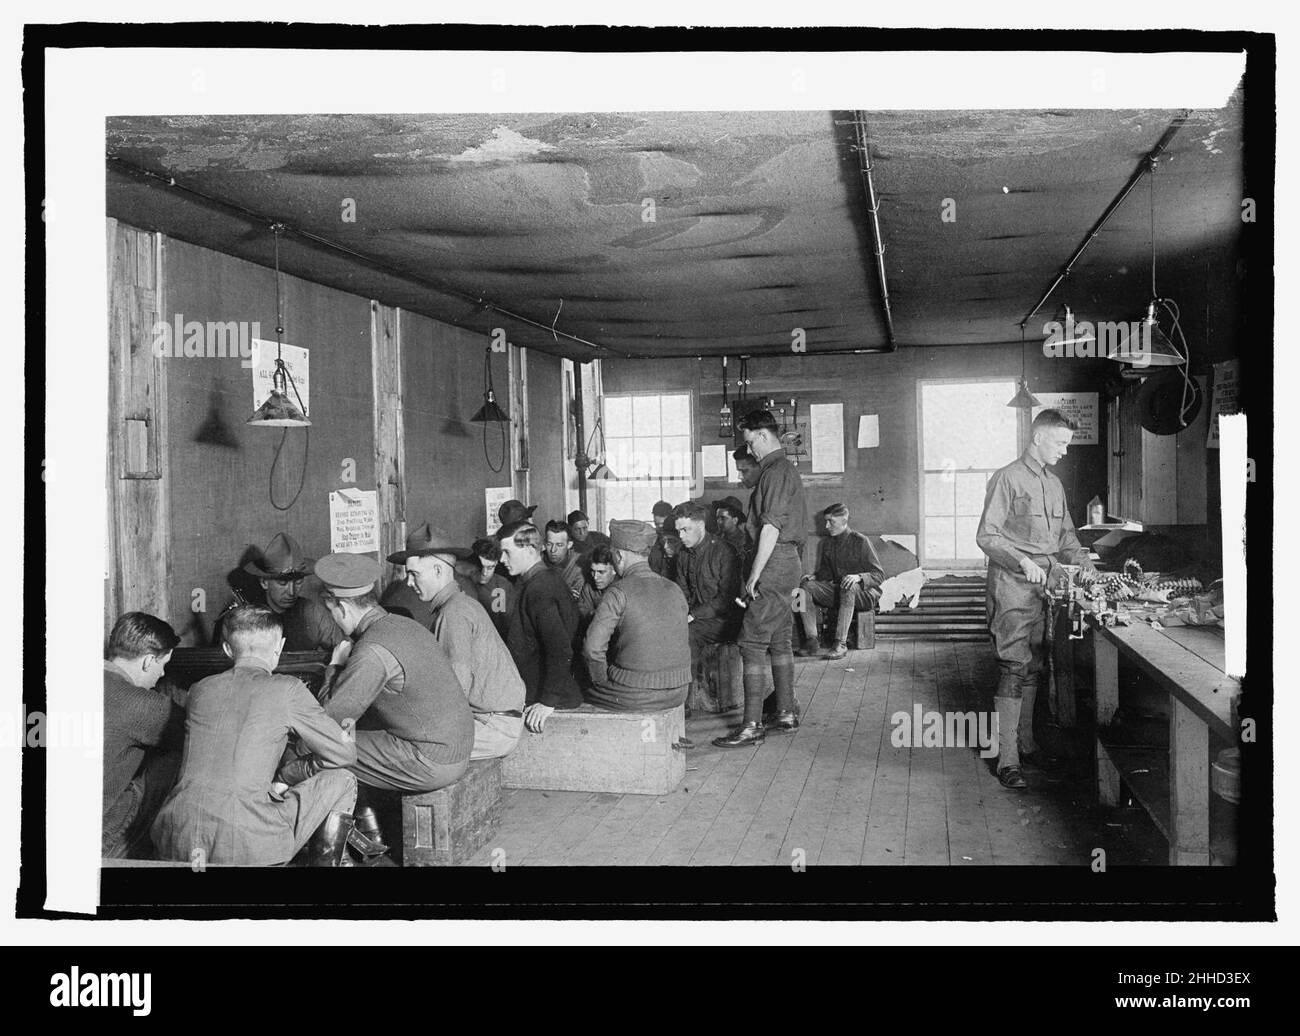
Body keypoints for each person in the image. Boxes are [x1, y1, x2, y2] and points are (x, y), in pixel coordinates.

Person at [151, 605, 359, 866]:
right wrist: (289, 774)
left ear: (227, 649)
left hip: (174, 836)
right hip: (245, 845)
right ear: (279, 647)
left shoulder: (200, 689)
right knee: (343, 779)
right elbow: (345, 753)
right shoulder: (287, 689)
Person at [976, 409, 1096, 791]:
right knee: (1013, 666)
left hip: (1046, 588)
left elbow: (1066, 539)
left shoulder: (1055, 484)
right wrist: (1022, 560)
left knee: (1036, 664)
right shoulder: (1007, 478)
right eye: (1060, 442)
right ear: (1038, 436)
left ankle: (1026, 743)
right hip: (1012, 584)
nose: (1064, 450)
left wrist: (1086, 565)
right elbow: (987, 536)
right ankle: (1006, 759)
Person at [310, 553, 475, 794]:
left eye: (331, 611)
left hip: (430, 761)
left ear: (343, 608)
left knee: (324, 750)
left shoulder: (371, 651)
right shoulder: (403, 623)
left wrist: (334, 667)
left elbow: (330, 724)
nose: (334, 619)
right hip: (456, 750)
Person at [714, 411, 808, 748]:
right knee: (779, 639)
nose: (749, 449)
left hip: (774, 560)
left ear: (764, 435)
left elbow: (771, 527)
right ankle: (784, 711)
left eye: (750, 441)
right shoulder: (780, 470)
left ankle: (752, 724)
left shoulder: (775, 471)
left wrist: (754, 574)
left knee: (750, 642)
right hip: (785, 561)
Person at [394, 525, 526, 761]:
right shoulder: (461, 604)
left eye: (414, 574)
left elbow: (455, 691)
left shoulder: (453, 613)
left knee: (400, 746)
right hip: (497, 720)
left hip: (493, 728)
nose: (408, 583)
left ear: (437, 570)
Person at [583, 520, 692, 711]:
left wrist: (600, 682)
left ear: (617, 555)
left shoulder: (618, 592)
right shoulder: (674, 588)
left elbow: (592, 650)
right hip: (679, 692)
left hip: (637, 694)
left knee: (578, 688)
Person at [102, 612, 183, 859]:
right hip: (93, 841)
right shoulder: (144, 705)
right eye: (163, 666)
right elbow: (199, 726)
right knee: (170, 758)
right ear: (148, 661)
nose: (161, 675)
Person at [497, 521, 583, 732]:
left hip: (548, 696)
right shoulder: (542, 580)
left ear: (528, 550)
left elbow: (561, 649)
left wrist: (547, 702)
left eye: (507, 552)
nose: (502, 559)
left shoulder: (539, 589)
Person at [225, 532, 342, 652]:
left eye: (298, 582)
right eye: (282, 583)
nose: (291, 592)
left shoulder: (314, 613)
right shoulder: (245, 617)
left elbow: (343, 648)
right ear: (264, 583)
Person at [798, 502, 886, 660]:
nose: (826, 526)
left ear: (844, 520)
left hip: (866, 595)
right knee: (805, 587)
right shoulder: (827, 543)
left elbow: (879, 575)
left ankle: (840, 643)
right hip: (841, 591)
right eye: (826, 521)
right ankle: (812, 640)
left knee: (848, 585)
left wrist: (859, 577)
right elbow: (825, 573)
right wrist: (815, 577)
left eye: (830, 522)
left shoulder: (861, 541)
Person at [674, 501, 743, 661]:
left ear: (701, 525)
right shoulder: (683, 554)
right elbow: (681, 592)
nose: (681, 536)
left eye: (685, 530)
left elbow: (726, 599)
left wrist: (693, 615)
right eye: (678, 531)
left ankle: (691, 685)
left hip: (725, 621)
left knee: (688, 634)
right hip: (695, 618)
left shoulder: (725, 551)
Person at [467, 536, 515, 637]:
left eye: (490, 567)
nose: (484, 573)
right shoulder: (463, 582)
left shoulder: (503, 586)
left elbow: (509, 627)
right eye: (481, 566)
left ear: (496, 563)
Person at [543, 519, 586, 601]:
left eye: (559, 545)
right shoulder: (537, 560)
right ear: (544, 543)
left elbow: (575, 600)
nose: (553, 550)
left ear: (569, 544)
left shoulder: (580, 564)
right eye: (549, 544)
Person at [576, 542, 617, 621]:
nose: (595, 577)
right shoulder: (588, 588)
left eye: (601, 572)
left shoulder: (624, 587)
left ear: (614, 569)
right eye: (593, 571)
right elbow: (583, 616)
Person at [714, 496, 752, 568]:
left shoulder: (743, 542)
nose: (718, 521)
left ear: (735, 520)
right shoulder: (716, 537)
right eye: (717, 518)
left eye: (723, 518)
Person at [648, 500, 681, 581]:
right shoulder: (652, 540)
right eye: (656, 524)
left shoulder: (680, 539)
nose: (659, 528)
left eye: (662, 524)